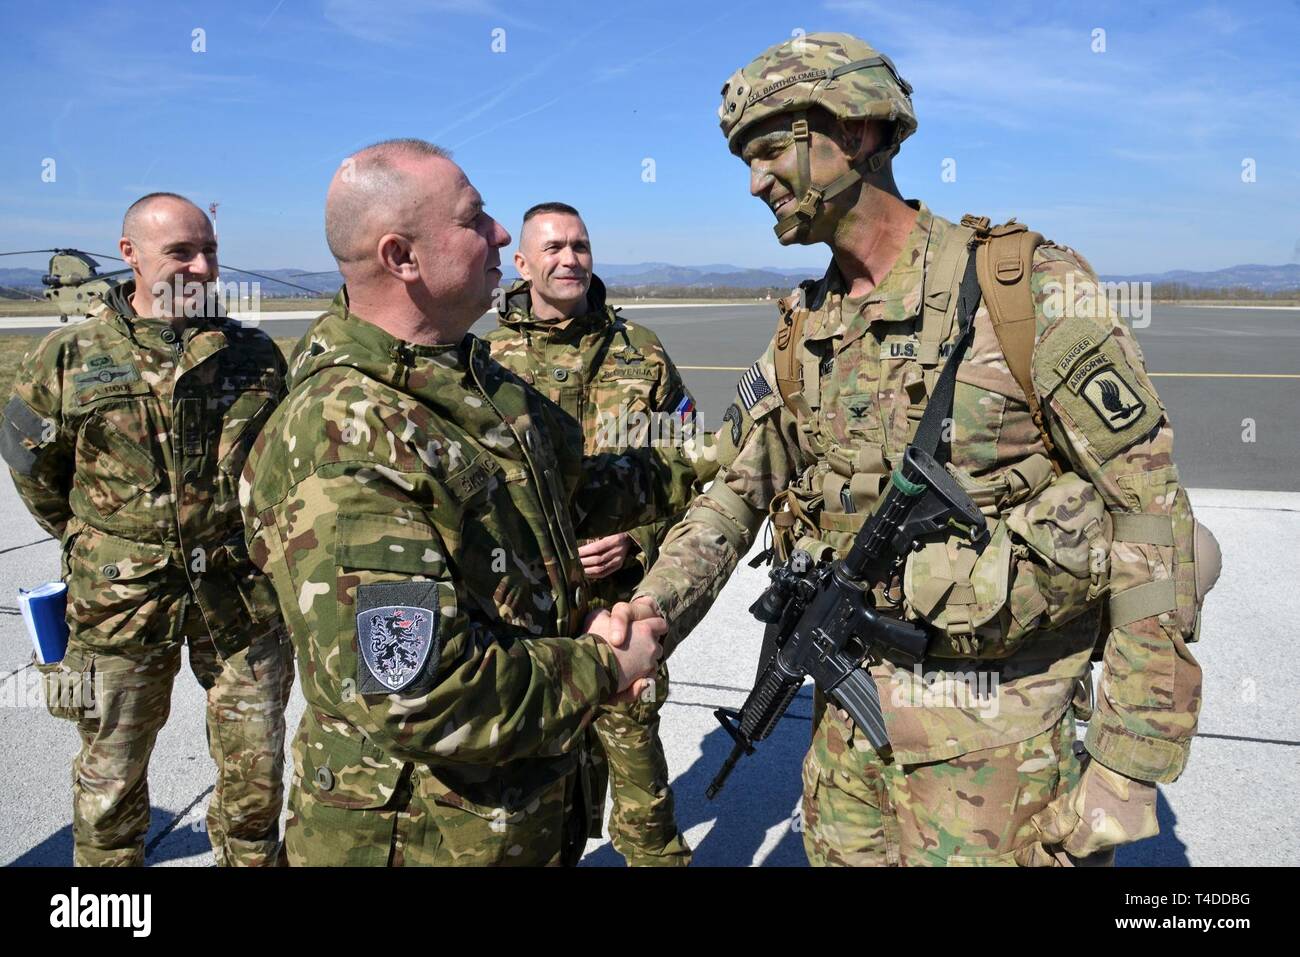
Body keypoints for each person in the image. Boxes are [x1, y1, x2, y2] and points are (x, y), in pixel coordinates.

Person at [609, 33, 1217, 866]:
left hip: (1000, 772)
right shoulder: (804, 328)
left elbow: (1152, 518)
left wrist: (1129, 761)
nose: (754, 182)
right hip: (845, 760)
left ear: (856, 132)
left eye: (768, 151)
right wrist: (652, 615)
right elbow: (735, 492)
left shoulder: (1024, 290)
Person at [241, 139, 697, 866]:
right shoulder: (346, 435)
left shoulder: (469, 377)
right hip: (423, 836)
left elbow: (582, 486)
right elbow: (423, 690)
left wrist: (733, 455)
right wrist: (604, 666)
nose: (501, 234)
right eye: (475, 218)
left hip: (514, 818)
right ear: (402, 257)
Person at [0, 192, 293, 866]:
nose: (200, 267)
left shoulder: (252, 355)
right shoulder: (69, 356)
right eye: (180, 252)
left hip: (240, 598)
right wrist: (94, 540)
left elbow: (278, 465)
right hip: (121, 602)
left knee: (257, 776)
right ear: (129, 253)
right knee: (111, 776)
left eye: (210, 251)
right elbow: (30, 462)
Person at [485, 202, 713, 866]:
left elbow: (690, 463)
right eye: (552, 247)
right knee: (528, 797)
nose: (570, 258)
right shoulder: (483, 362)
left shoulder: (639, 352)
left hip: (618, 618)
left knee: (642, 799)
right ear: (523, 263)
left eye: (580, 244)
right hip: (522, 622)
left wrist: (639, 542)